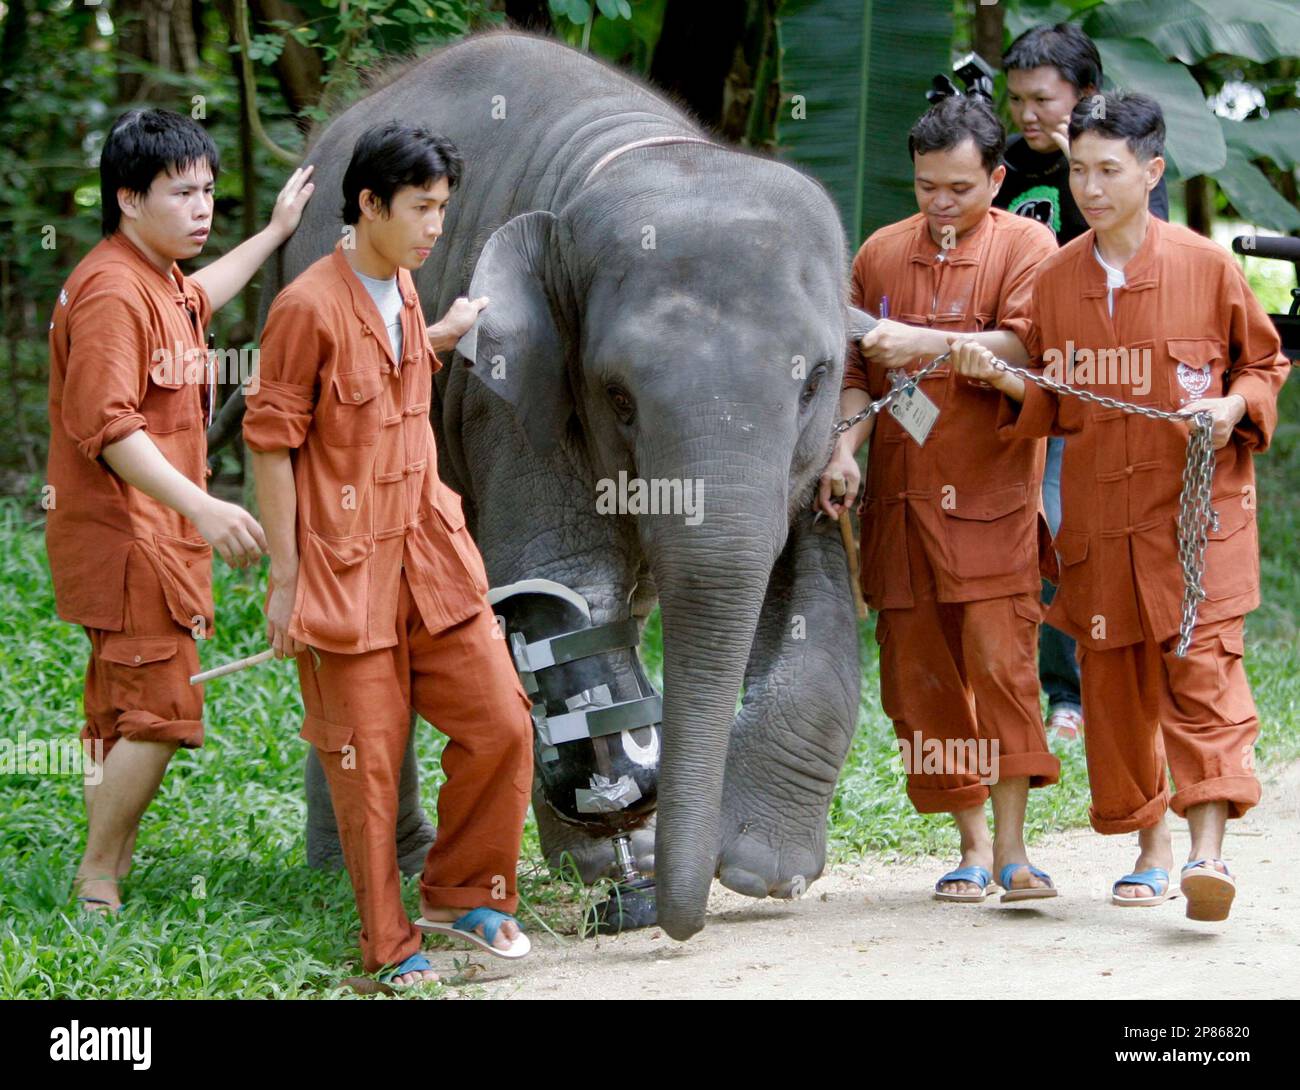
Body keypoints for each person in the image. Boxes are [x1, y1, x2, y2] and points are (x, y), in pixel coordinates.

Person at [952, 91, 1289, 922]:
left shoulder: (1206, 269)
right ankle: (1152, 849)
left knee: (1204, 676)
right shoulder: (1058, 282)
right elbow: (1053, 404)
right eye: (1078, 170)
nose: (1090, 188)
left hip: (1199, 523)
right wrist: (1005, 379)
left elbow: (1265, 367)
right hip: (1103, 530)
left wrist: (1233, 408)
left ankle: (1209, 855)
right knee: (1117, 690)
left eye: (1109, 170)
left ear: (1152, 170)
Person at [244, 123, 535, 987]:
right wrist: (287, 582)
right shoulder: (305, 307)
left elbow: (388, 389)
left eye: (443, 208)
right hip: (344, 572)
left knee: (501, 724)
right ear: (368, 205)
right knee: (366, 761)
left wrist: (444, 330)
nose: (436, 226)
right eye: (421, 208)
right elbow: (269, 441)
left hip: (432, 555)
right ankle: (390, 947)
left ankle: (461, 890)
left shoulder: (404, 287)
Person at [48, 108, 313, 915]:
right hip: (129, 541)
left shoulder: (156, 277)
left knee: (123, 710)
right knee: (162, 712)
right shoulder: (110, 292)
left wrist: (274, 233)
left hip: (146, 537)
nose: (200, 209)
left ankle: (105, 867)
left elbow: (201, 296)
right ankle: (98, 879)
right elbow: (110, 428)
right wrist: (203, 506)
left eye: (208, 193)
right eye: (181, 194)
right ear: (129, 198)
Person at [817, 94, 1061, 904]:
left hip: (991, 505)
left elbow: (1032, 345)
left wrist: (932, 344)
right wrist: (845, 449)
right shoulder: (881, 254)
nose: (941, 203)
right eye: (926, 187)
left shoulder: (1028, 245)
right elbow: (855, 374)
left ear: (995, 175)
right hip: (901, 511)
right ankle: (968, 843)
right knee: (918, 682)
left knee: (1003, 670)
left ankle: (1016, 850)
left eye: (959, 186)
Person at [995, 21, 1171, 742]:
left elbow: (1140, 255)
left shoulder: (1120, 174)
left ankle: (1101, 686)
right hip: (1019, 379)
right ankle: (1040, 693)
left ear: (1086, 96)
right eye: (1016, 100)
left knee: (1093, 531)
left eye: (1043, 99)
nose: (1027, 114)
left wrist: (1082, 161)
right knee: (1028, 531)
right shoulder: (1004, 164)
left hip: (1102, 384)